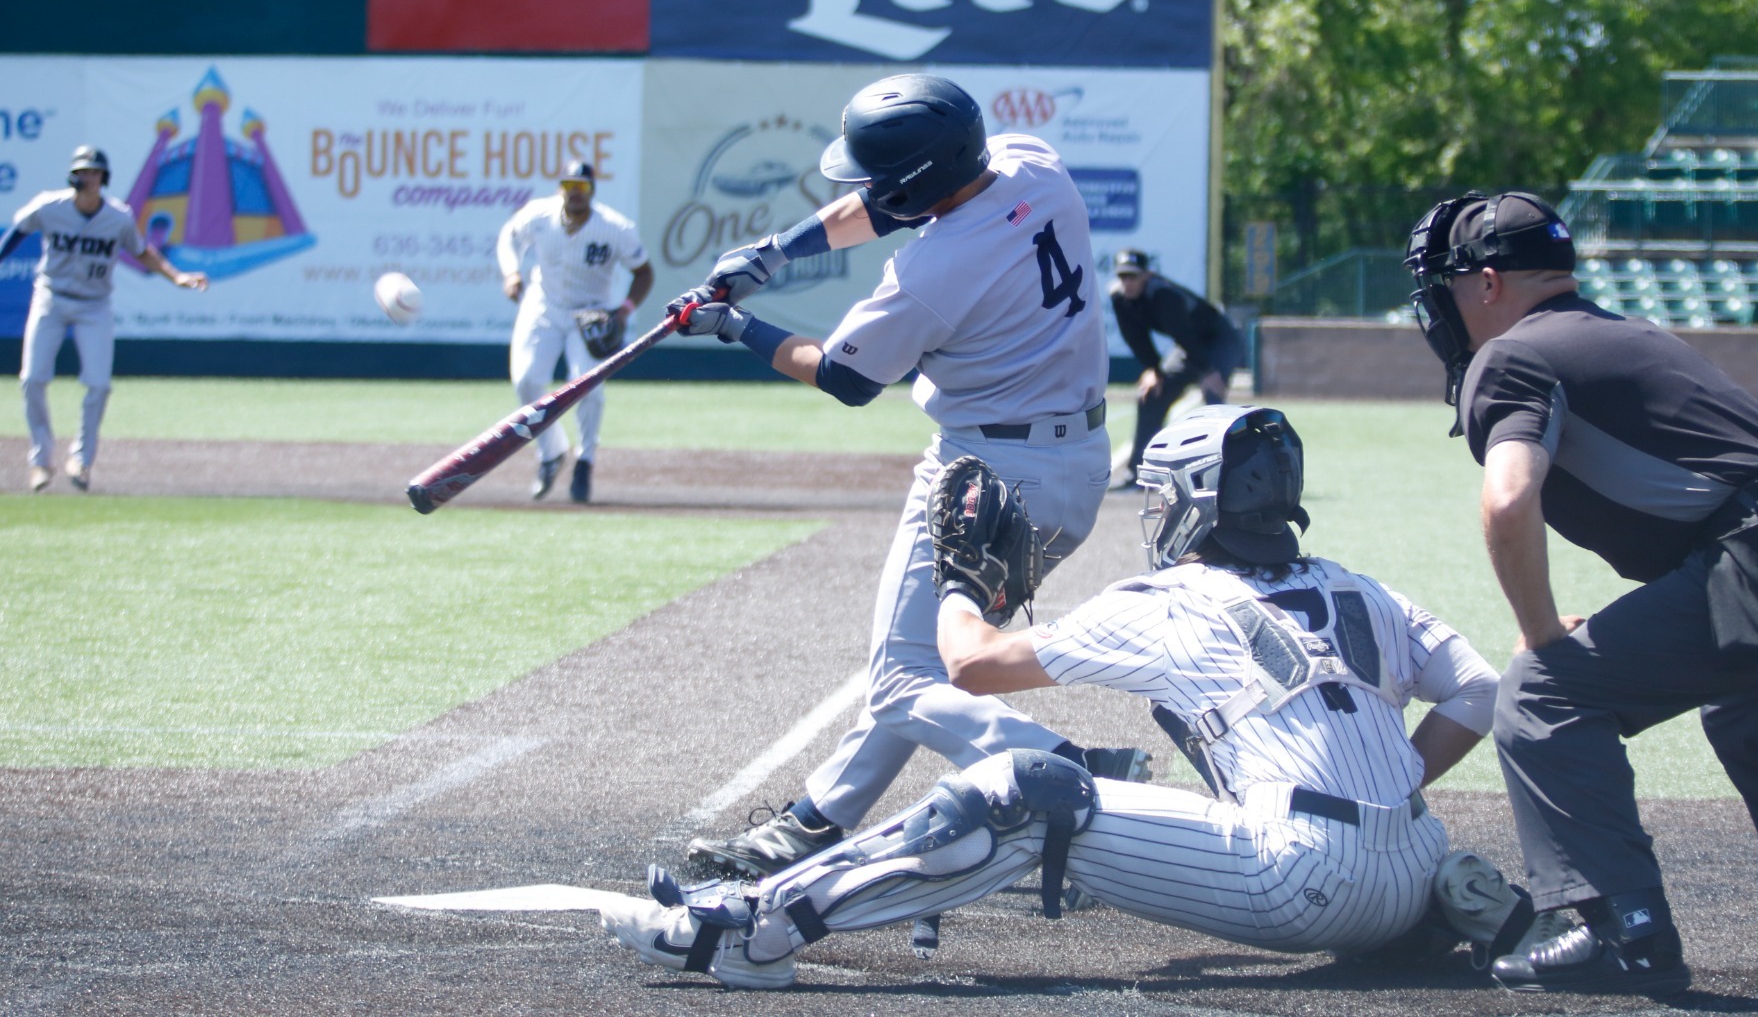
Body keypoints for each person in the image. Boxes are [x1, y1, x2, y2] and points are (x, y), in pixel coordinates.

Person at [597, 405, 1528, 990]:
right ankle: (1440, 909)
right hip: (1413, 869)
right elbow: (1482, 690)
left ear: (1194, 504)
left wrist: (958, 574)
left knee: (1020, 788)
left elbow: (973, 665)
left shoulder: (1172, 599)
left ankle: (745, 932)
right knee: (1057, 791)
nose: (1153, 512)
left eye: (1162, 496)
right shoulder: (1363, 588)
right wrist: (1393, 782)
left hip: (1300, 880)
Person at [1401, 191, 1758, 996]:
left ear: (1489, 283)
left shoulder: (1514, 354)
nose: (1442, 306)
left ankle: (1615, 931)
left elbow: (1508, 498)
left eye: (1449, 285)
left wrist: (1539, 630)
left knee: (1541, 693)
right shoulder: (1624, 329)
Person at [666, 74, 1145, 880]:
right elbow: (898, 200)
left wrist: (734, 324)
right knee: (919, 665)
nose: (867, 189)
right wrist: (779, 252)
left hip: (985, 475)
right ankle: (816, 822)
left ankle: (1083, 777)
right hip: (1076, 470)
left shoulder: (934, 269)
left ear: (916, 180)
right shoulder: (1035, 166)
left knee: (899, 680)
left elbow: (847, 379)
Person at [3, 145, 207, 493]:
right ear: (73, 175)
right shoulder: (50, 206)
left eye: (94, 172)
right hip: (52, 297)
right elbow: (17, 233)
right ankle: (40, 461)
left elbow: (143, 251)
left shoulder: (118, 216)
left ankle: (81, 460)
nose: (88, 177)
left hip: (94, 305)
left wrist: (176, 276)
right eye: (83, 171)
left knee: (98, 384)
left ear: (104, 177)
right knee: (32, 378)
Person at [496, 159, 653, 504]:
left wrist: (624, 311)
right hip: (544, 305)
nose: (575, 193)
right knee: (526, 380)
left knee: (587, 388)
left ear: (592, 191)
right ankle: (551, 452)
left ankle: (585, 460)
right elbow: (509, 236)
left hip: (590, 313)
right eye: (569, 186)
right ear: (560, 189)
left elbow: (644, 272)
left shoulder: (615, 227)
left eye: (581, 187)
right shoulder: (538, 215)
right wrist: (511, 272)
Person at [1108, 248, 1245, 488]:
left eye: (1133, 276)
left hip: (1218, 339)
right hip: (1189, 346)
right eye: (1123, 277)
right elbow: (1135, 337)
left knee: (1213, 402)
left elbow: (1184, 333)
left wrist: (1208, 371)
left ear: (1147, 275)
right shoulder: (1120, 298)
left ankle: (1225, 478)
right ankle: (1141, 476)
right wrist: (1153, 369)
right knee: (1151, 395)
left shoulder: (1163, 295)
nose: (1127, 283)